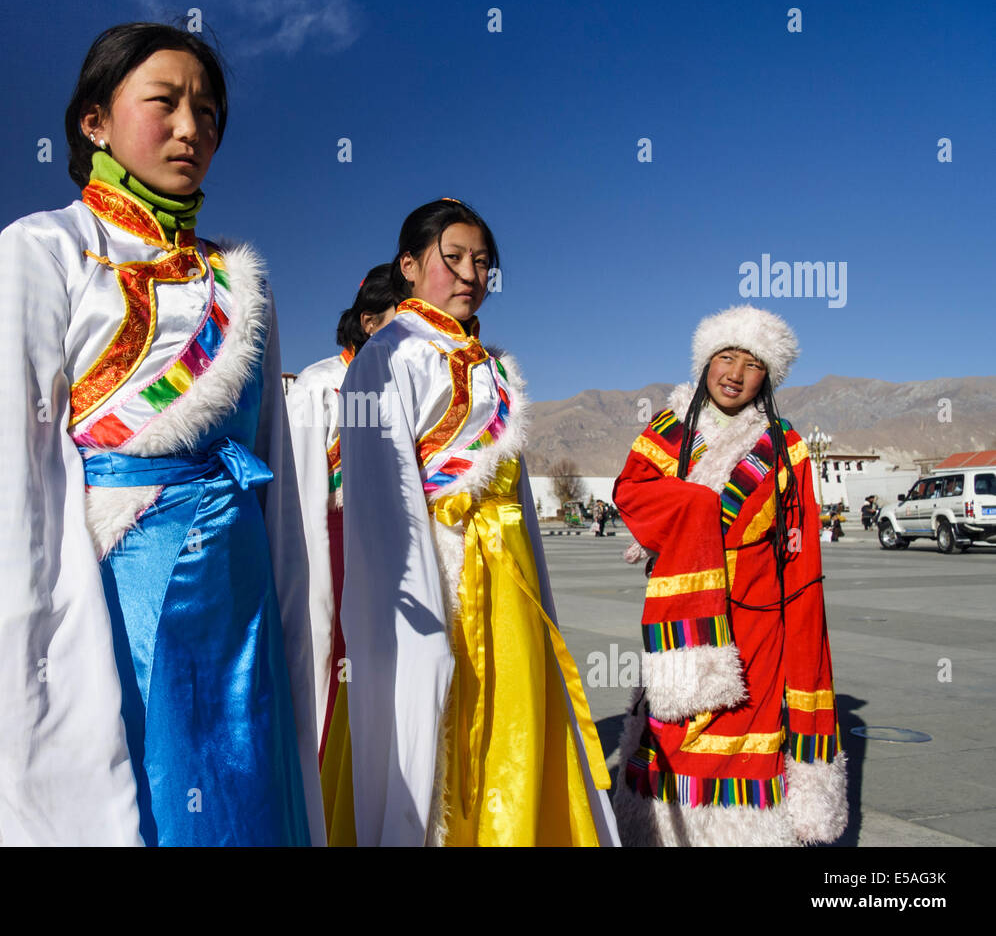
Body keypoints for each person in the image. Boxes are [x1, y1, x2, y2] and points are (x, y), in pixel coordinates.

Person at [0, 23, 322, 847]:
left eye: (210, 113)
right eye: (166, 102)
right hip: (116, 597)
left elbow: (274, 468)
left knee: (242, 798)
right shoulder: (44, 248)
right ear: (94, 122)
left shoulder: (242, 280)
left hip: (242, 599)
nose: (193, 128)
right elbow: (13, 475)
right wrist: (20, 658)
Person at [339, 199, 617, 846]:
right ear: (409, 265)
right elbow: (383, 503)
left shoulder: (495, 367)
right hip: (436, 569)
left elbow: (512, 491)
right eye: (454, 257)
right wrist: (410, 607)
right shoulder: (387, 357)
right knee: (435, 718)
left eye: (483, 262)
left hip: (505, 575)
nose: (471, 273)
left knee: (510, 722)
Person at [613, 305, 846, 846]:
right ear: (704, 362)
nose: (735, 373)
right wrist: (695, 506)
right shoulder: (669, 429)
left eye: (752, 363)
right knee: (669, 739)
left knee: (746, 749)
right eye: (725, 356)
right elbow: (630, 491)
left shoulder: (786, 448)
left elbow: (800, 551)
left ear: (769, 376)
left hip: (755, 629)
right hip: (684, 628)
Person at [286, 264, 397, 845]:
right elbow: (301, 485)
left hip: (392, 548)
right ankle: (327, 803)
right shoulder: (318, 384)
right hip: (333, 543)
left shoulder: (407, 389)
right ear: (366, 322)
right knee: (333, 669)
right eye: (393, 324)